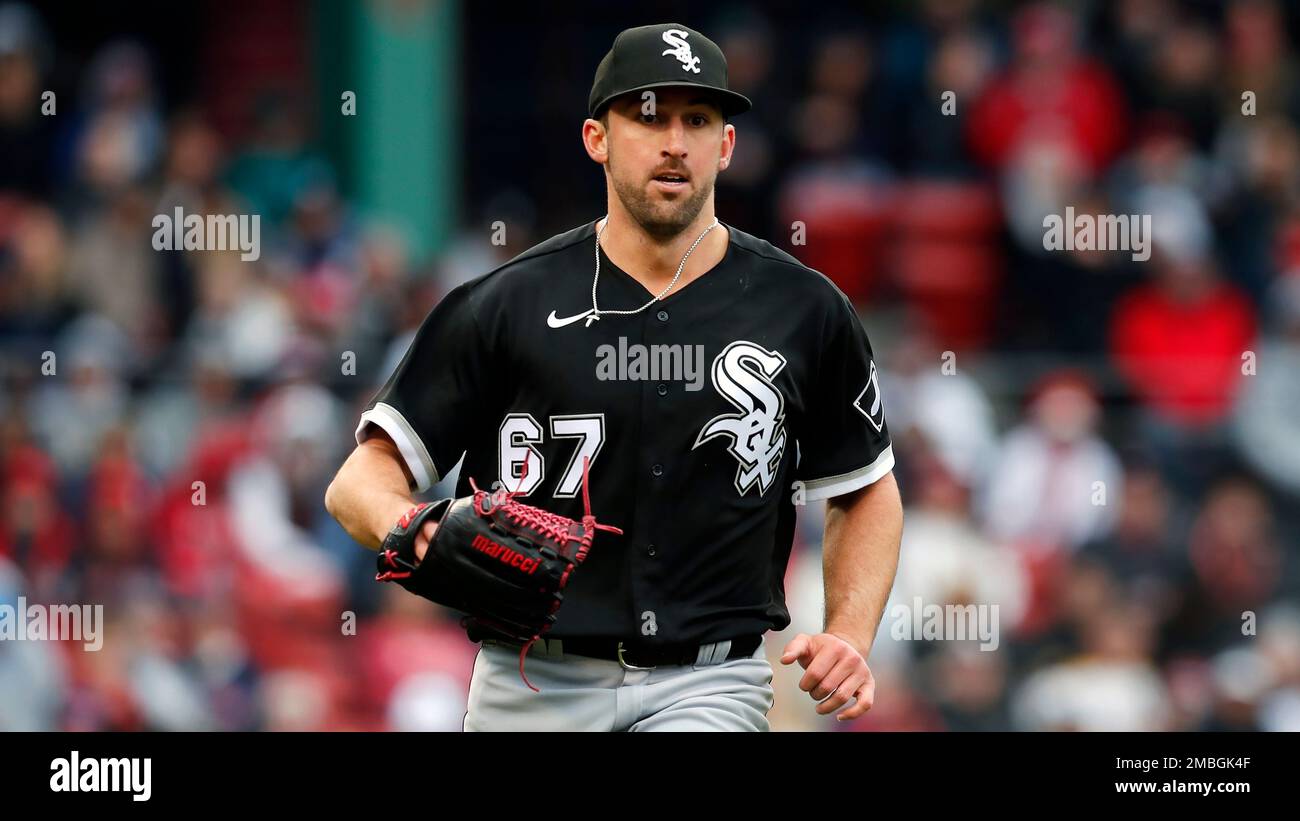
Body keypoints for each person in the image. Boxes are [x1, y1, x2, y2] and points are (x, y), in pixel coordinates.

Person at [324, 22, 904, 732]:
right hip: (532, 677)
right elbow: (358, 481)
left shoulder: (804, 309)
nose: (675, 142)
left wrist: (849, 630)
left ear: (726, 147)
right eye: (649, 115)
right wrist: (412, 525)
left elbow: (865, 488)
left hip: (709, 680)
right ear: (597, 138)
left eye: (699, 120)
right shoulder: (504, 306)